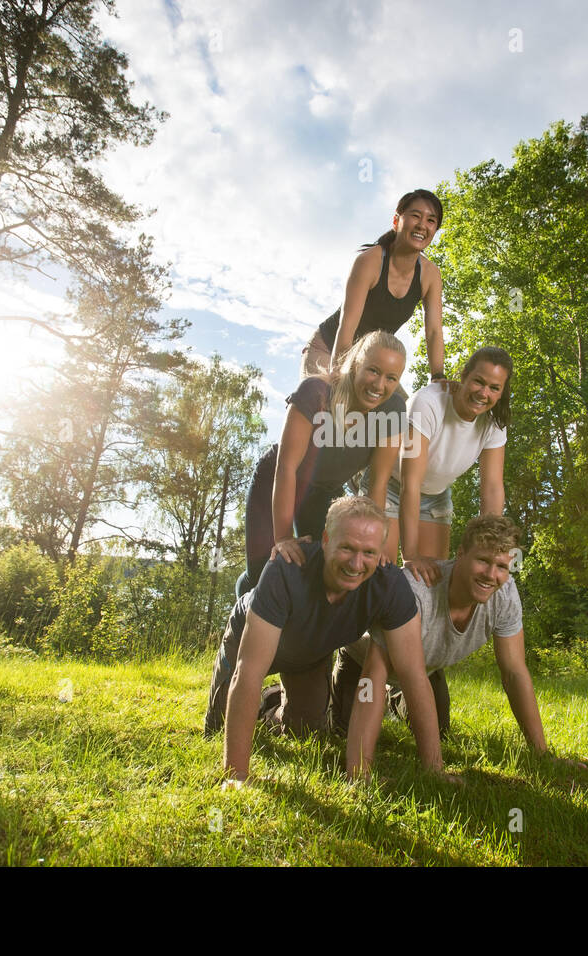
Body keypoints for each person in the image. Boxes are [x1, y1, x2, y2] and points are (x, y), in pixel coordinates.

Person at [205, 496, 454, 787]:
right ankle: (245, 704)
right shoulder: (285, 569)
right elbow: (248, 672)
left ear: (382, 552)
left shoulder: (389, 585)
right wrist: (237, 775)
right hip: (251, 643)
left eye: (369, 552)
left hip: (308, 654)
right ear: (325, 540)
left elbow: (413, 673)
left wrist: (434, 769)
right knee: (217, 729)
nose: (356, 563)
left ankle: (269, 703)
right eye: (347, 547)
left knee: (305, 731)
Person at [335, 515, 587, 779]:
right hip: (362, 662)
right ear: (461, 553)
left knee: (438, 730)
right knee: (328, 728)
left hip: (422, 670)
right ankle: (307, 694)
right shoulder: (416, 590)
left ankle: (396, 699)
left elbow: (514, 672)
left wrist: (542, 754)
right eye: (483, 561)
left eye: (501, 566)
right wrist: (358, 771)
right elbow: (373, 675)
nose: (491, 575)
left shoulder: (504, 596)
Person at [363, 346, 514, 714]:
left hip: (436, 496)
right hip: (397, 488)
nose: (484, 393)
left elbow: (492, 488)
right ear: (463, 377)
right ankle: (359, 666)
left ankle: (412, 689)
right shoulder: (429, 403)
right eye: (478, 381)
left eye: (495, 388)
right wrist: (410, 553)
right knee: (383, 575)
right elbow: (411, 481)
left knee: (434, 585)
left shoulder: (494, 423)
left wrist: (496, 552)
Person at [236, 331, 408, 599]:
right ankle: (243, 606)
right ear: (354, 366)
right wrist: (282, 539)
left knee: (320, 573)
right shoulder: (316, 392)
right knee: (266, 571)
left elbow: (378, 483)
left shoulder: (394, 409)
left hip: (323, 493)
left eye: (391, 378)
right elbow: (287, 468)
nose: (379, 385)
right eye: (373, 371)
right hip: (277, 481)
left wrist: (376, 542)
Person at [300, 190, 447, 383]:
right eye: (415, 216)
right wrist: (337, 378)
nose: (422, 225)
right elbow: (347, 325)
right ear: (396, 221)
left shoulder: (430, 274)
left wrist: (437, 377)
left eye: (431, 220)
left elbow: (434, 331)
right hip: (330, 349)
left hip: (370, 361)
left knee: (398, 411)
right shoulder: (369, 261)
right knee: (324, 408)